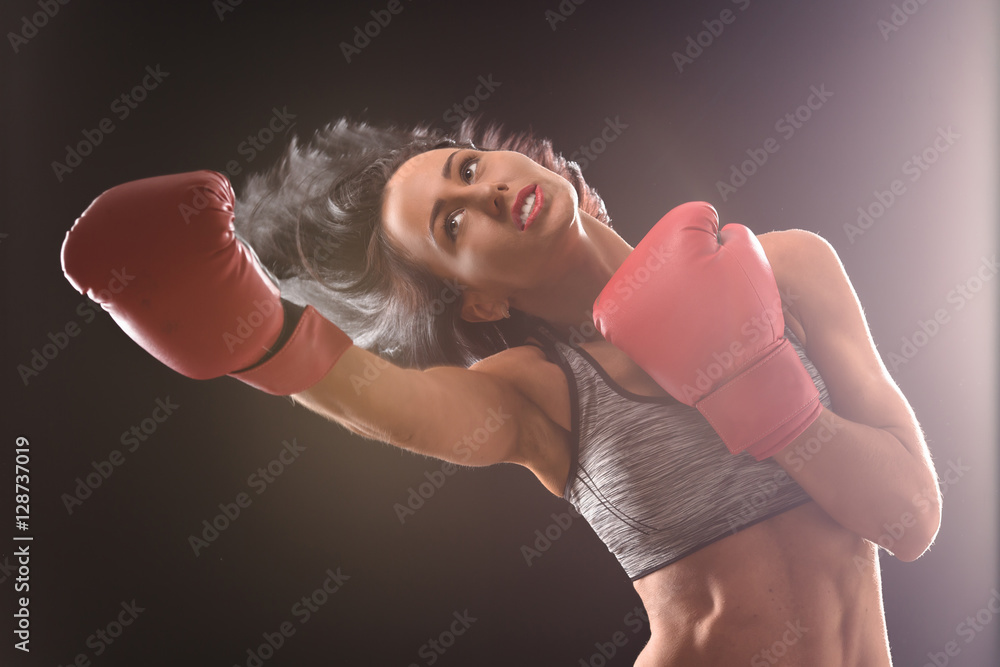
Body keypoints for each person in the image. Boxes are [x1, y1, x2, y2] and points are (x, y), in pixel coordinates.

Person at [61, 118, 942, 666]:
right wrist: (254, 330)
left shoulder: (788, 266)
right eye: (453, 222)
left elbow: (908, 520)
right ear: (478, 297)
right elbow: (384, 398)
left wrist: (761, 390)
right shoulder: (541, 393)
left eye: (469, 167)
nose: (485, 192)